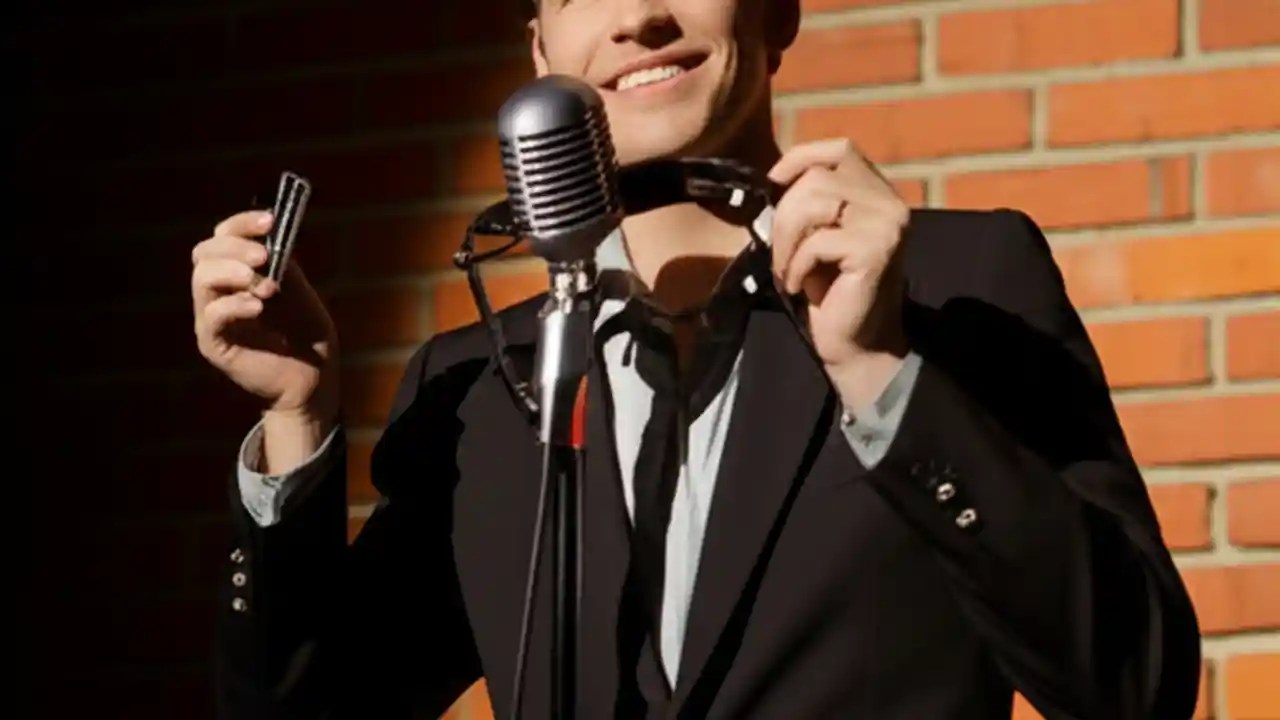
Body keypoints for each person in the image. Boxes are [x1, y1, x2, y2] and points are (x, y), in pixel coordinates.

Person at [191, 0, 1202, 717]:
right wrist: (296, 423)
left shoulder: (956, 284)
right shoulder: (480, 387)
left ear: (778, 12)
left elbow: (1135, 680)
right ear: (541, 47)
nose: (637, 17)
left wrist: (879, 374)